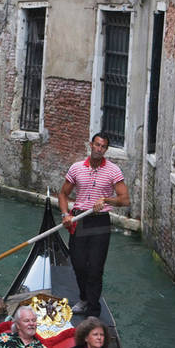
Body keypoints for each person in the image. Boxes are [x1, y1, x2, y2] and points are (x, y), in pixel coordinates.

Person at [59, 132, 130, 316]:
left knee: (96, 268)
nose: (99, 149)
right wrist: (65, 214)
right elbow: (63, 194)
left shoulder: (114, 171)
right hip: (78, 219)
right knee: (79, 264)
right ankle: (84, 298)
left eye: (103, 147)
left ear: (106, 149)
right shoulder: (76, 168)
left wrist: (106, 199)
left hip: (99, 221)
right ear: (91, 145)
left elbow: (125, 200)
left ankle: (93, 310)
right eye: (97, 145)